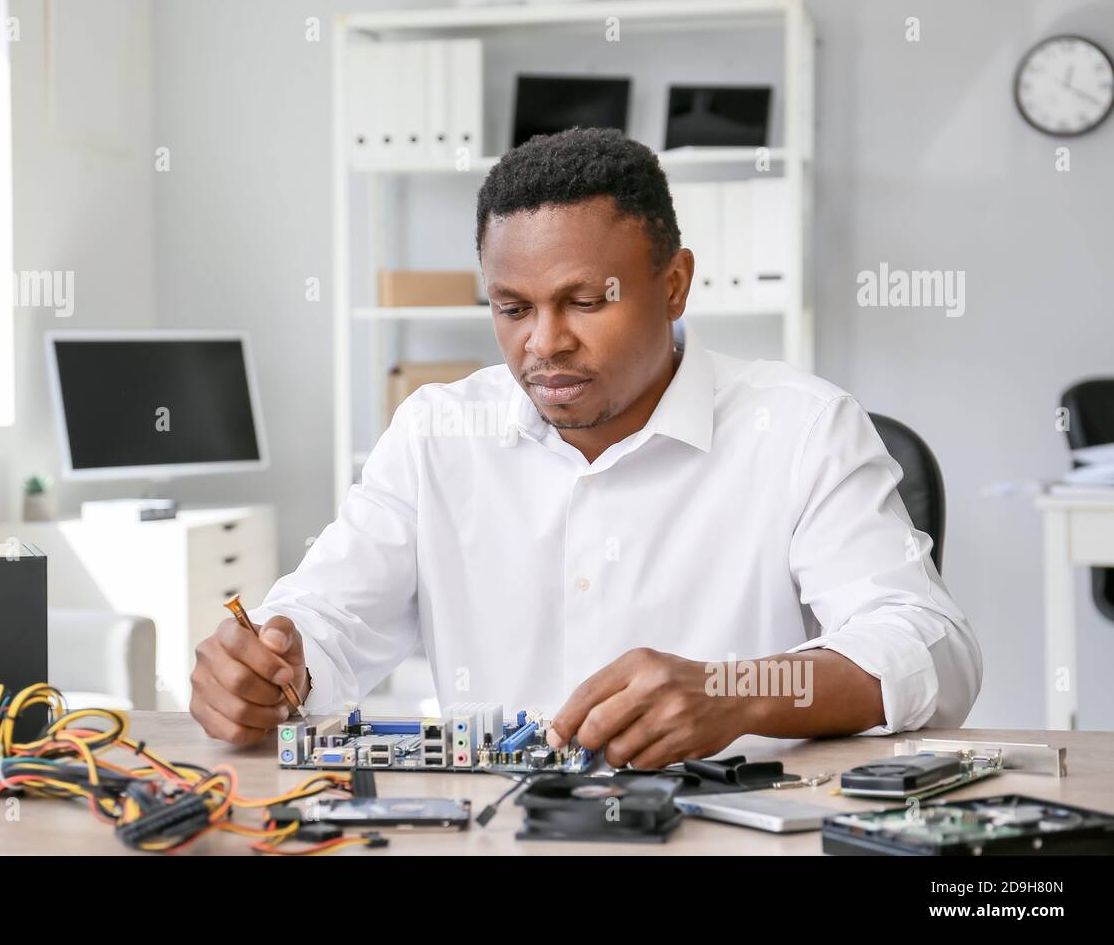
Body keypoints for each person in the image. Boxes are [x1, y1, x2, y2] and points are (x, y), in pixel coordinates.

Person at [190, 127, 981, 768]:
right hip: (495, 836)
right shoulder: (436, 432)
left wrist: (739, 691)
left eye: (583, 301)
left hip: (730, 830)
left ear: (674, 285)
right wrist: (271, 672)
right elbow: (328, 618)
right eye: (511, 307)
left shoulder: (803, 428)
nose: (544, 343)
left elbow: (930, 648)